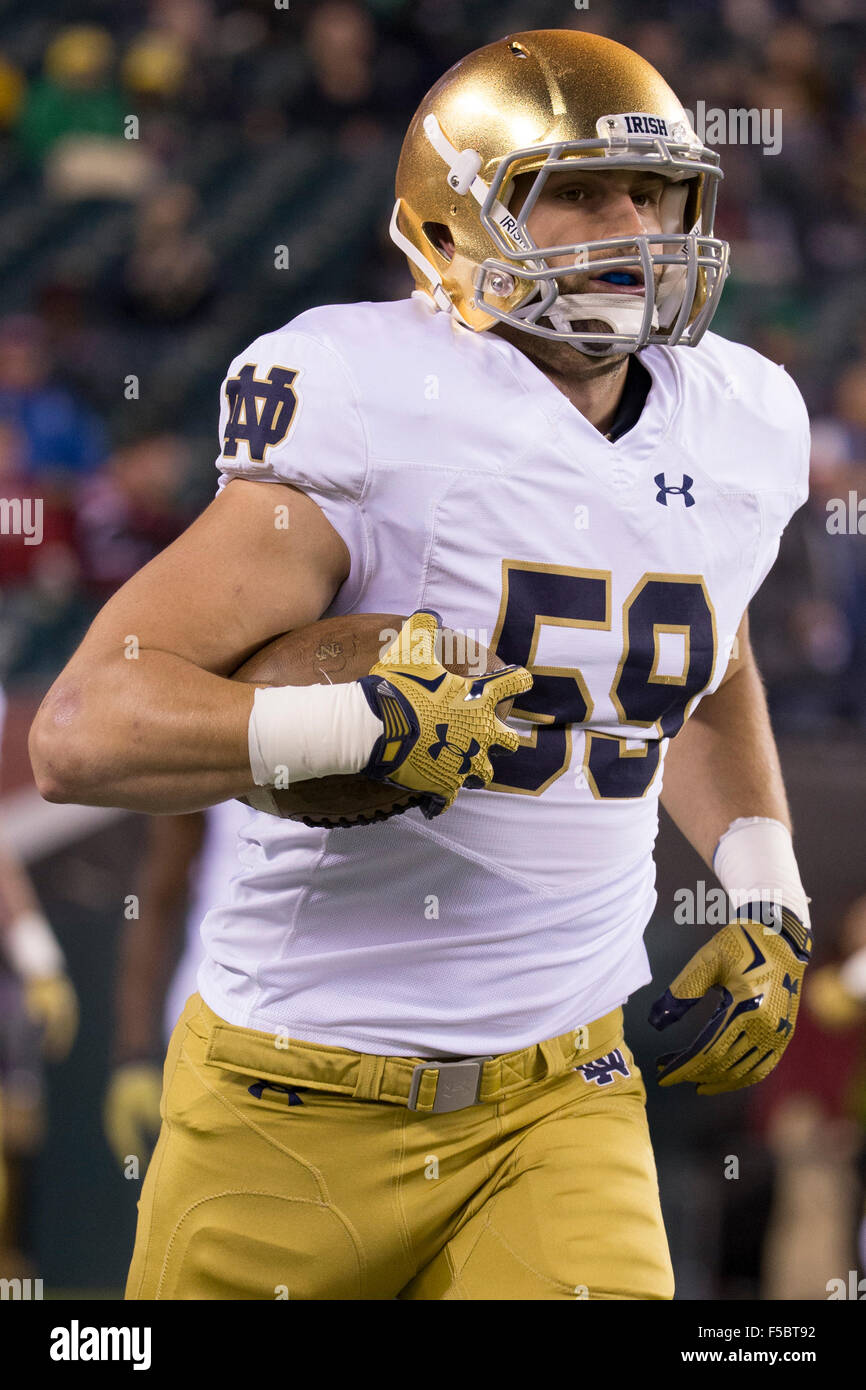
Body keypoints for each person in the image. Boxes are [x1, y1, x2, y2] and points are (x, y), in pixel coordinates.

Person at [29, 30, 813, 1301]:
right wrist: (359, 728)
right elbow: (81, 730)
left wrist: (765, 887)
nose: (628, 224)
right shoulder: (364, 390)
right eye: (572, 190)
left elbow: (699, 653)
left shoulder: (744, 416)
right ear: (453, 227)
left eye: (650, 191)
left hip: (564, 1094)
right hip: (292, 1094)